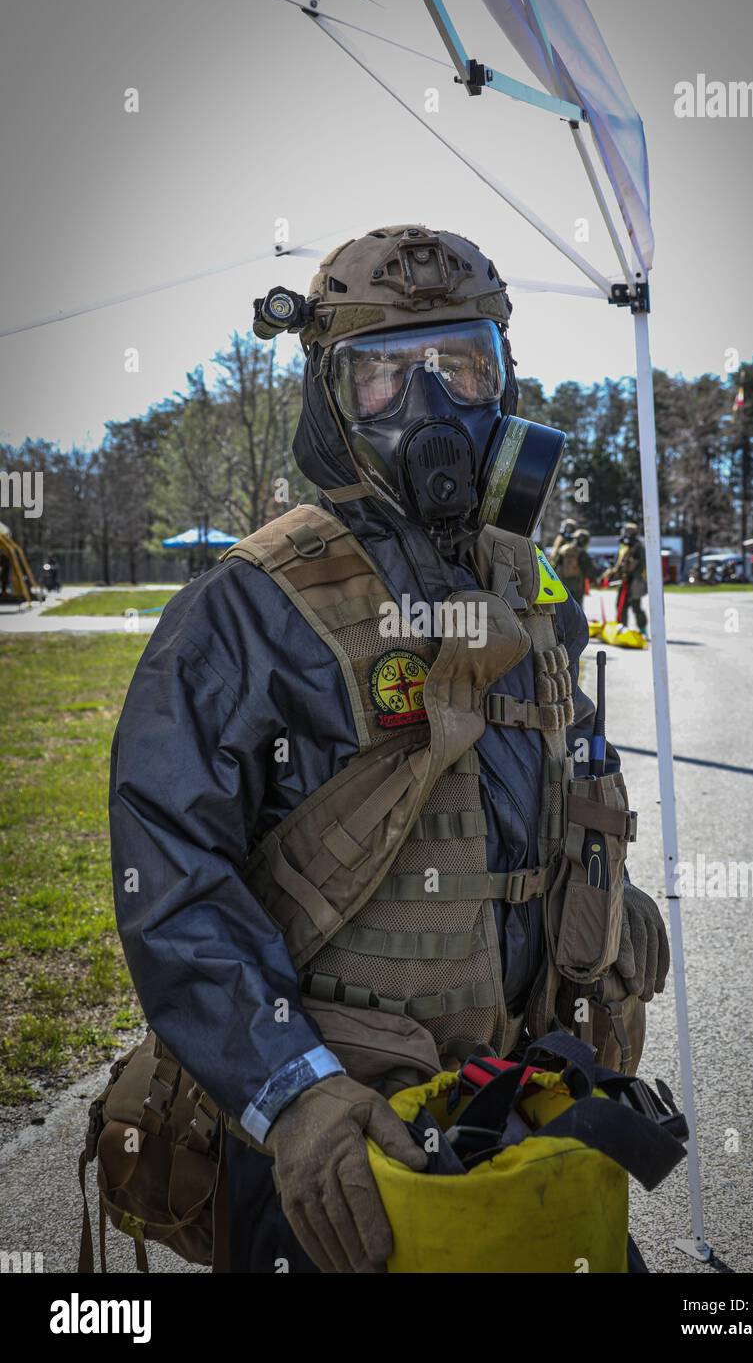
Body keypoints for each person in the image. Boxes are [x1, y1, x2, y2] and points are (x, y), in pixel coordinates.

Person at [109, 224, 669, 1275]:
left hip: (516, 1098)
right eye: (384, 377)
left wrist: (601, 927)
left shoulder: (530, 586)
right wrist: (295, 1094)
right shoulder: (244, 609)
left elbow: (564, 785)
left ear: (503, 382)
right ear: (331, 399)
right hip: (340, 1148)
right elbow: (171, 886)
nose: (432, 407)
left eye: (461, 366)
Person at [605, 521, 648, 632]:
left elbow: (642, 564)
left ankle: (643, 630)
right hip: (624, 581)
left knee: (636, 607)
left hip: (635, 582)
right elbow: (619, 564)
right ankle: (622, 628)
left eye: (626, 533)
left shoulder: (639, 547)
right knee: (620, 605)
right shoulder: (624, 547)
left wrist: (632, 575)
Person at [550, 520, 599, 609]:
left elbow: (553, 566)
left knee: (562, 608)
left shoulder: (562, 549)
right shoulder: (581, 552)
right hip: (577, 585)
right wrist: (595, 580)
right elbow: (589, 569)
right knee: (576, 608)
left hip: (561, 583)